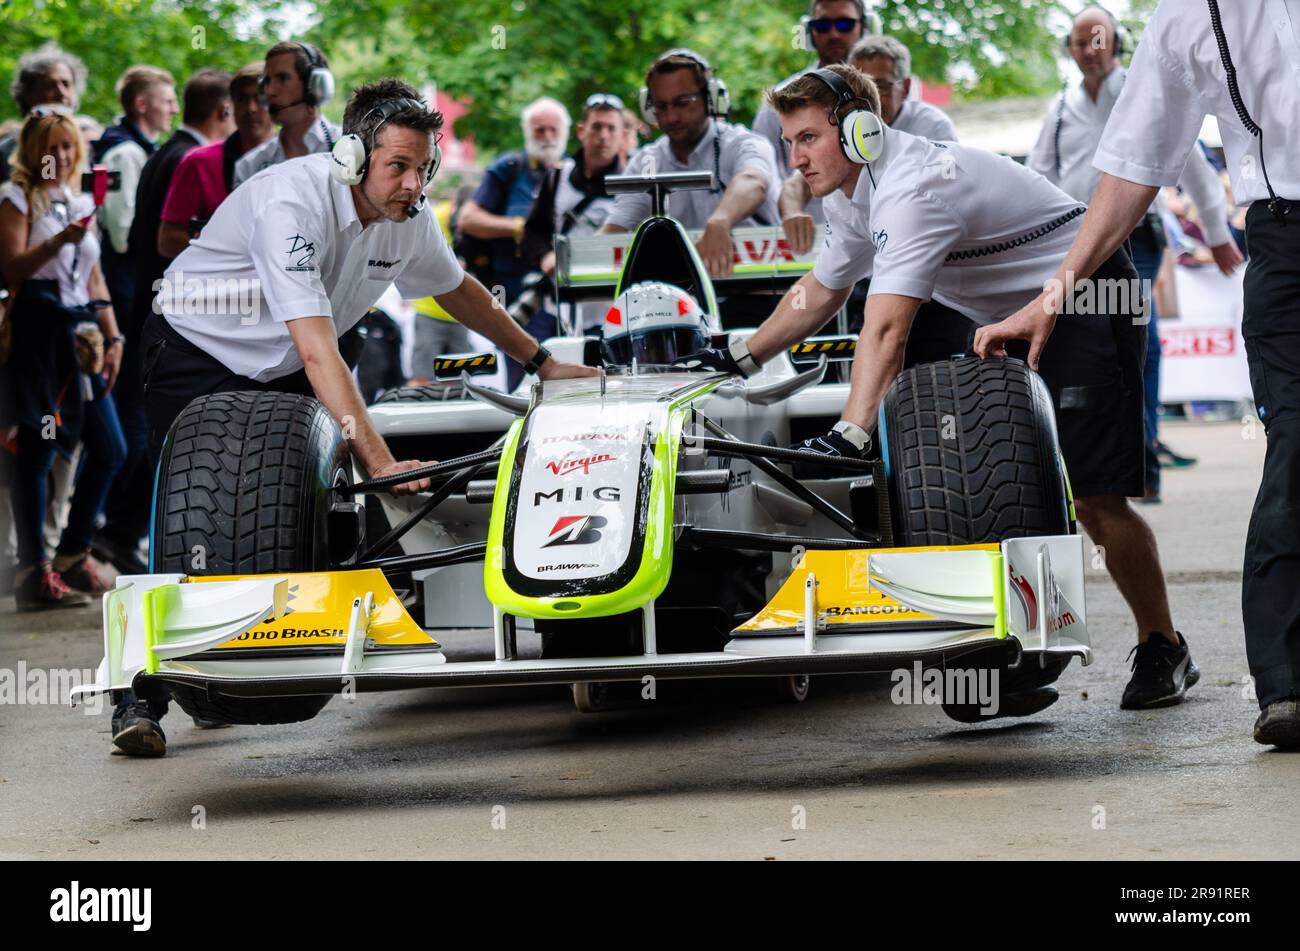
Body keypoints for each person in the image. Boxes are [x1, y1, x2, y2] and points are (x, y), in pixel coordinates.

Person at [679, 64, 1195, 717]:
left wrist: (850, 432)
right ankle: (1000, 664)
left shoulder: (914, 188)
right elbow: (822, 289)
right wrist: (738, 351)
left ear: (860, 130)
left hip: (1084, 295)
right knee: (960, 475)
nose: (795, 157)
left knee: (1094, 497)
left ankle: (1162, 643)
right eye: (788, 142)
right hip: (992, 311)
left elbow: (887, 326)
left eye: (807, 138)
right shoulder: (847, 191)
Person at [116, 79, 598, 756]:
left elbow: (461, 291)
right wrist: (380, 459)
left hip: (287, 356)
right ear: (350, 156)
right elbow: (318, 349)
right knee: (183, 513)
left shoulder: (409, 218)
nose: (414, 183)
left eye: (425, 167)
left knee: (299, 505)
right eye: (398, 166)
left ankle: (310, 637)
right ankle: (138, 694)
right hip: (196, 347)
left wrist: (542, 360)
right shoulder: (291, 203)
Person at [974, 0, 1300, 747]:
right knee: (1296, 440)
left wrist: (1214, 239)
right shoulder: (1186, 21)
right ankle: (1288, 681)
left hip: (1235, 236)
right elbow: (1135, 171)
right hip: (1283, 238)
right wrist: (1051, 296)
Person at [1025, 6, 1242, 503]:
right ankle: (1090, 470)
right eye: (1080, 41)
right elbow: (1038, 176)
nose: (1090, 49)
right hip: (1073, 241)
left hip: (1136, 239)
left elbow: (1193, 166)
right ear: (1071, 50)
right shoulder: (1060, 109)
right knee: (1084, 352)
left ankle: (1142, 468)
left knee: (1137, 349)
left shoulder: (1141, 92)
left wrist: (1215, 231)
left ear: (1116, 45)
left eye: (1099, 39)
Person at [93, 69, 235, 576]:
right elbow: (149, 237)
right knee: (155, 435)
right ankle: (122, 532)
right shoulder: (184, 157)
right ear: (224, 112)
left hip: (149, 307)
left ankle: (119, 533)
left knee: (145, 433)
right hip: (170, 314)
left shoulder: (164, 151)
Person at [0, 109, 127, 609]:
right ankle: (34, 572)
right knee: (37, 448)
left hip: (81, 334)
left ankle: (73, 554)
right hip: (38, 329)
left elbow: (94, 280)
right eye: (51, 147)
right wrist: (58, 239)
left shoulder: (77, 200)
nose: (62, 156)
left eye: (69, 146)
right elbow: (10, 269)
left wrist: (113, 339)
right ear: (32, 152)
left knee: (111, 446)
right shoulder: (15, 198)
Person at [598, 48, 779, 328]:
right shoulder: (646, 160)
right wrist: (584, 254)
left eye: (683, 103)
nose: (671, 117)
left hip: (757, 304)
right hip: (678, 313)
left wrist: (721, 220)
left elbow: (754, 180)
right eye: (661, 107)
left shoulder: (744, 144)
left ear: (711, 98)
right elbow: (618, 225)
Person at [780, 35, 958, 254]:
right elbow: (795, 184)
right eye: (858, 88)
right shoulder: (839, 129)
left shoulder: (933, 126)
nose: (866, 97)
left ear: (905, 87)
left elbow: (940, 193)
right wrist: (792, 213)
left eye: (880, 86)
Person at [517, 92, 626, 370]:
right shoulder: (557, 176)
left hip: (612, 314)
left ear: (622, 134)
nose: (603, 135)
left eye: (611, 128)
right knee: (534, 381)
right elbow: (533, 232)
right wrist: (545, 257)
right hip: (556, 308)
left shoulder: (632, 183)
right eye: (597, 127)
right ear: (581, 131)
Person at [90, 65, 178, 369]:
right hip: (123, 279)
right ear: (142, 105)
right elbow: (121, 233)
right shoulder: (125, 154)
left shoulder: (144, 150)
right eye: (167, 101)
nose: (175, 109)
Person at [753, 0, 868, 207]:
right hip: (807, 236)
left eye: (844, 24)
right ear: (809, 31)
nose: (834, 34)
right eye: (822, 26)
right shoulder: (778, 100)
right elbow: (763, 175)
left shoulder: (886, 93)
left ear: (865, 27)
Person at [456, 96, 570, 307]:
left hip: (561, 289)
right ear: (527, 131)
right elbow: (467, 219)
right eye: (540, 130)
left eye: (554, 129)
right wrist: (519, 227)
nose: (548, 137)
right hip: (510, 288)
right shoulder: (509, 167)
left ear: (565, 131)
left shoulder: (573, 172)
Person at [156, 63, 275, 260]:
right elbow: (167, 240)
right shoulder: (199, 161)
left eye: (259, 98)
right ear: (230, 107)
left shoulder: (296, 159)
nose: (251, 108)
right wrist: (226, 248)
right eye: (242, 99)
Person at [232, 42, 340, 187]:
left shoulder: (351, 146)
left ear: (315, 85)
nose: (269, 91)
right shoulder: (249, 167)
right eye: (267, 81)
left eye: (282, 78)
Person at [1, 44, 87, 182]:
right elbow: (50, 187)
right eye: (50, 85)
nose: (62, 93)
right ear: (29, 95)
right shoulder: (9, 152)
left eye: (66, 84)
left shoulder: (84, 146)